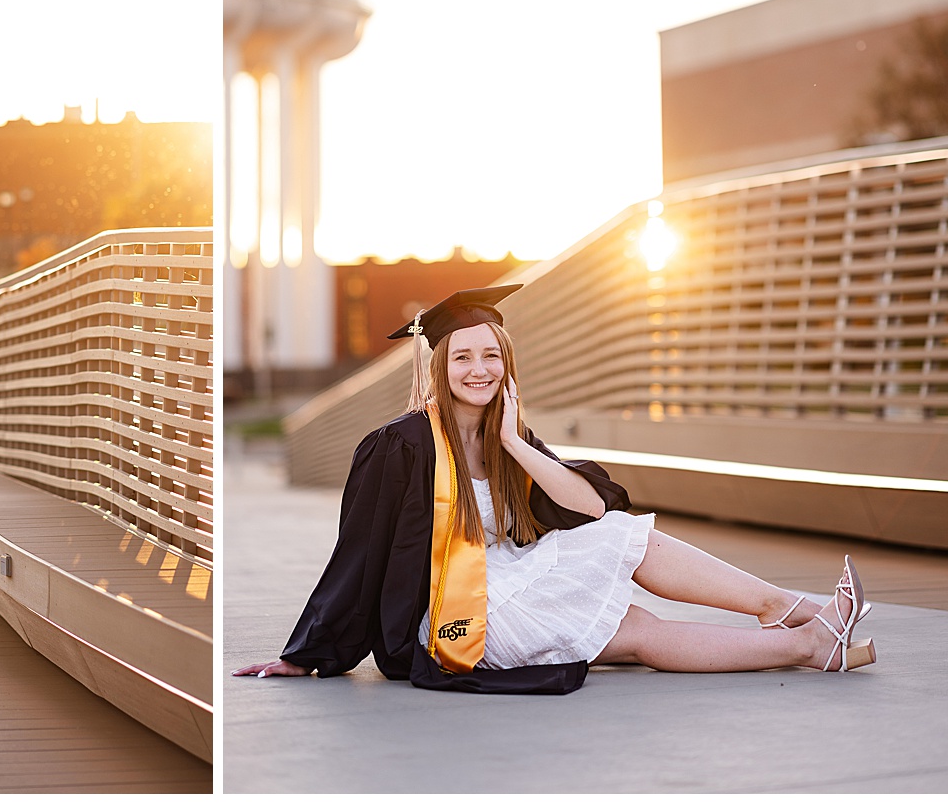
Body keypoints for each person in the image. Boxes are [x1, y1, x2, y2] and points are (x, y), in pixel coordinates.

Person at [235, 286, 874, 694]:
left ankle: (788, 613)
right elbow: (359, 552)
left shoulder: (510, 433)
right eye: (463, 357)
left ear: (506, 365)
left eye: (491, 357)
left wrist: (514, 444)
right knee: (635, 628)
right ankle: (808, 638)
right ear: (440, 365)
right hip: (450, 616)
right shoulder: (400, 446)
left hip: (506, 578)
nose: (479, 370)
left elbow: (591, 508)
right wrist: (309, 652)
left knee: (626, 540)